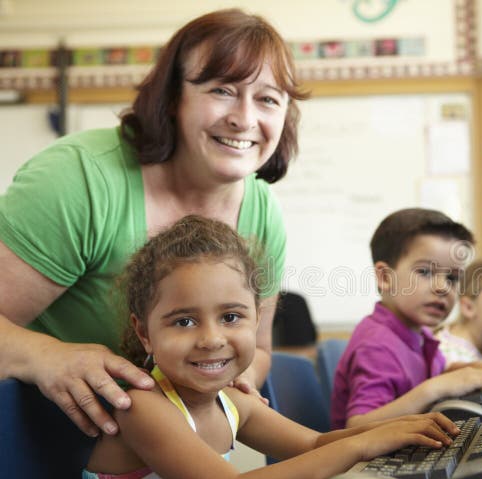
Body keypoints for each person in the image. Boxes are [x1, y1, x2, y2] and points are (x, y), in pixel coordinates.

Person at [0, 9, 306, 438]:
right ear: (171, 98)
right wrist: (43, 354)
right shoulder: (80, 179)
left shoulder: (262, 211)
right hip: (28, 448)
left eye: (268, 99)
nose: (244, 118)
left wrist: (239, 376)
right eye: (221, 89)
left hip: (155, 467)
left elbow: (258, 350)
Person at [60, 215, 457, 479]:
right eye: (183, 322)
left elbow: (314, 445)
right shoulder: (141, 406)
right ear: (145, 333)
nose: (211, 339)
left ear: (257, 321)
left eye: (231, 316)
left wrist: (396, 430)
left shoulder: (233, 402)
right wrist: (362, 446)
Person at [330, 208, 482, 429]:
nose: (442, 287)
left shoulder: (419, 335)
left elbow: (415, 381)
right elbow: (357, 426)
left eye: (452, 278)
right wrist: (437, 387)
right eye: (425, 272)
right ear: (385, 277)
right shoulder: (376, 344)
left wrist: (467, 371)